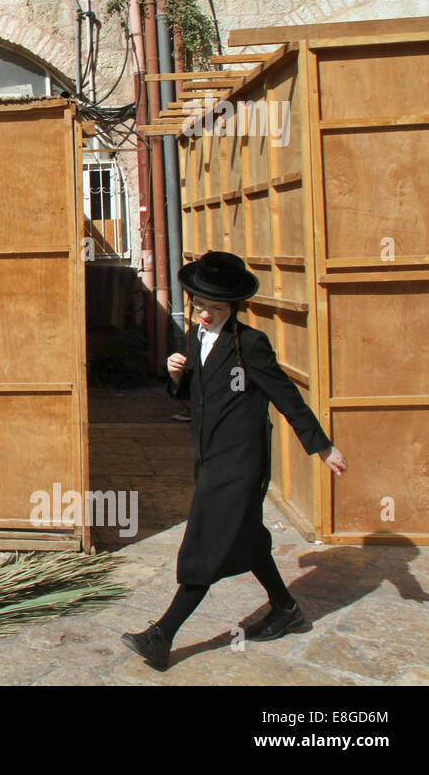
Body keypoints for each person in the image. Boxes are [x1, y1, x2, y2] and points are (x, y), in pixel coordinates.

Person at [121, 250, 348, 671]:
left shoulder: (252, 345)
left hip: (240, 463)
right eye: (199, 305)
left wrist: (322, 446)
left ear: (234, 307)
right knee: (245, 536)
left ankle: (162, 635)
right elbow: (195, 397)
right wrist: (176, 377)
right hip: (208, 457)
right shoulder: (193, 335)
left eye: (216, 308)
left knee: (205, 543)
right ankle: (286, 609)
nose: (205, 314)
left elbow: (287, 397)